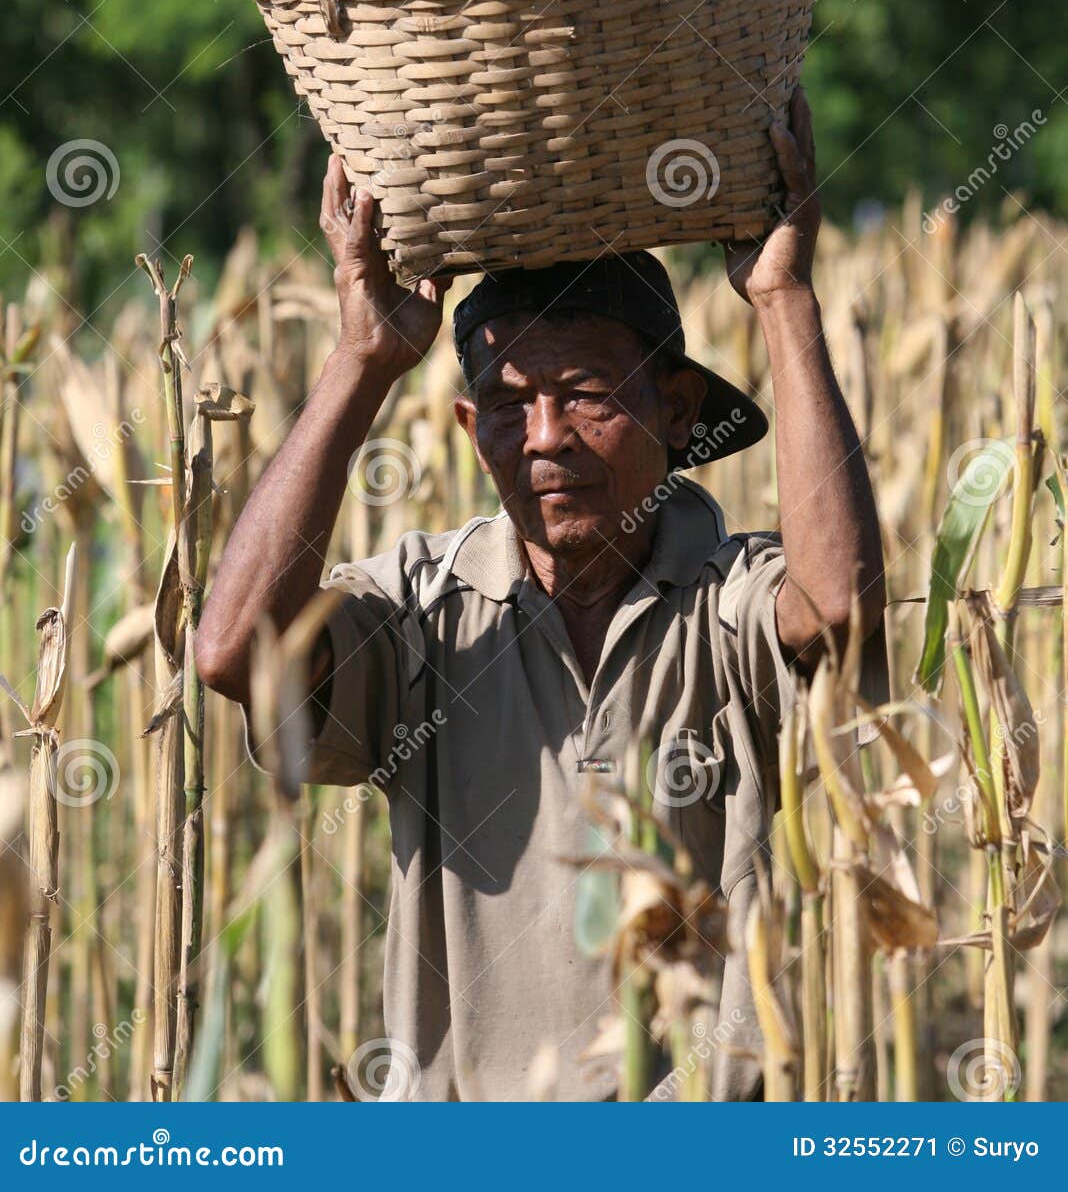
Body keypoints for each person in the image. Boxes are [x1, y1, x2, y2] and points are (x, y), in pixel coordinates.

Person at [196, 85, 886, 1101]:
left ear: (676, 406)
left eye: (588, 395)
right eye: (510, 406)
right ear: (470, 430)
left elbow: (838, 613)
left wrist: (784, 300)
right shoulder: (424, 610)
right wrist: (362, 360)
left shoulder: (727, 600)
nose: (547, 438)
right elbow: (232, 653)